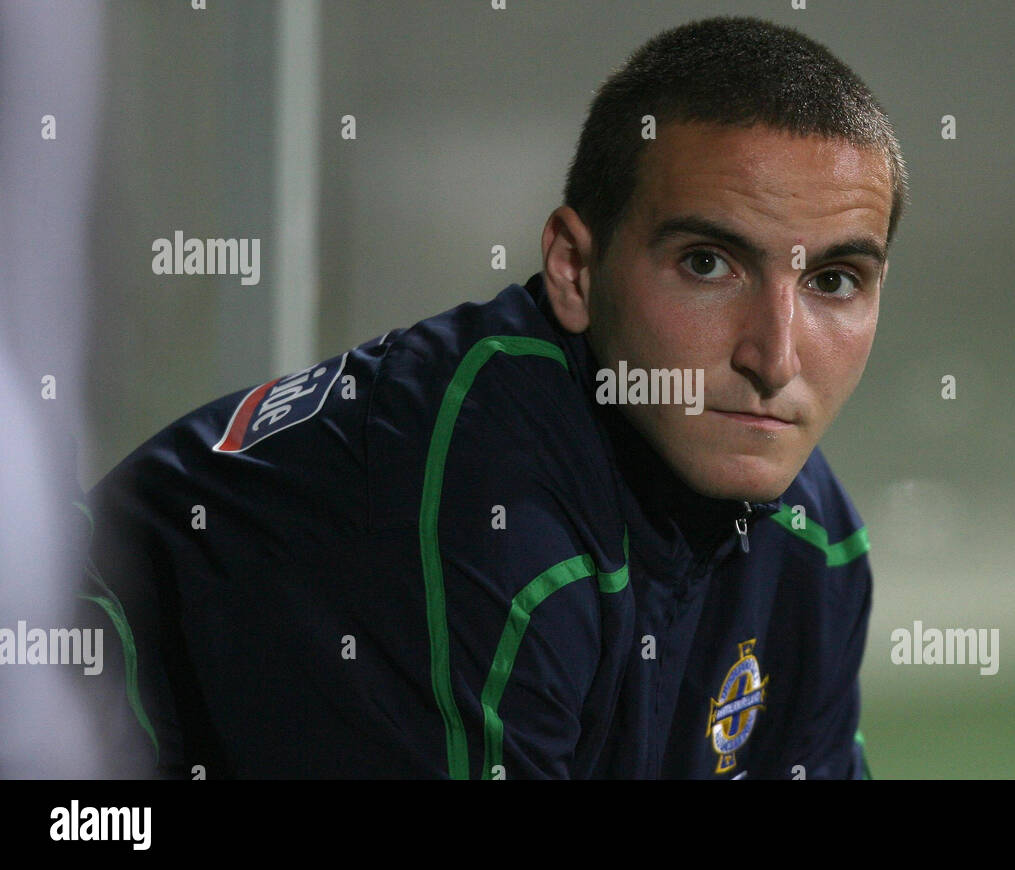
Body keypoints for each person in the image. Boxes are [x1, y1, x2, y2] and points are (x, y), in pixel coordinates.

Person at [80, 14, 907, 779]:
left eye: (835, 280)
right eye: (706, 264)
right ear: (574, 271)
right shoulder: (495, 504)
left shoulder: (814, 546)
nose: (775, 354)